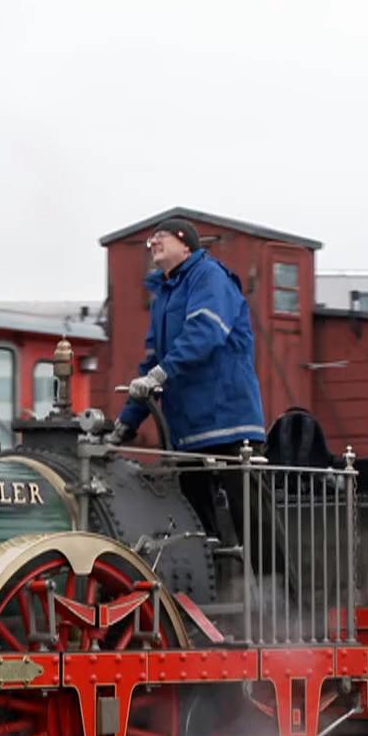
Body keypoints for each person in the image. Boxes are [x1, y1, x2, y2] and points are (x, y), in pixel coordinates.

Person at [109, 217, 266, 540]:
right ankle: (216, 569)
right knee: (197, 525)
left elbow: (205, 332)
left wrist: (160, 374)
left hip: (228, 420)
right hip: (187, 431)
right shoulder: (163, 296)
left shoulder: (209, 276)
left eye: (162, 236)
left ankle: (273, 574)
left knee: (252, 519)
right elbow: (152, 362)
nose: (153, 242)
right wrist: (126, 422)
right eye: (151, 239)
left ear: (186, 244)